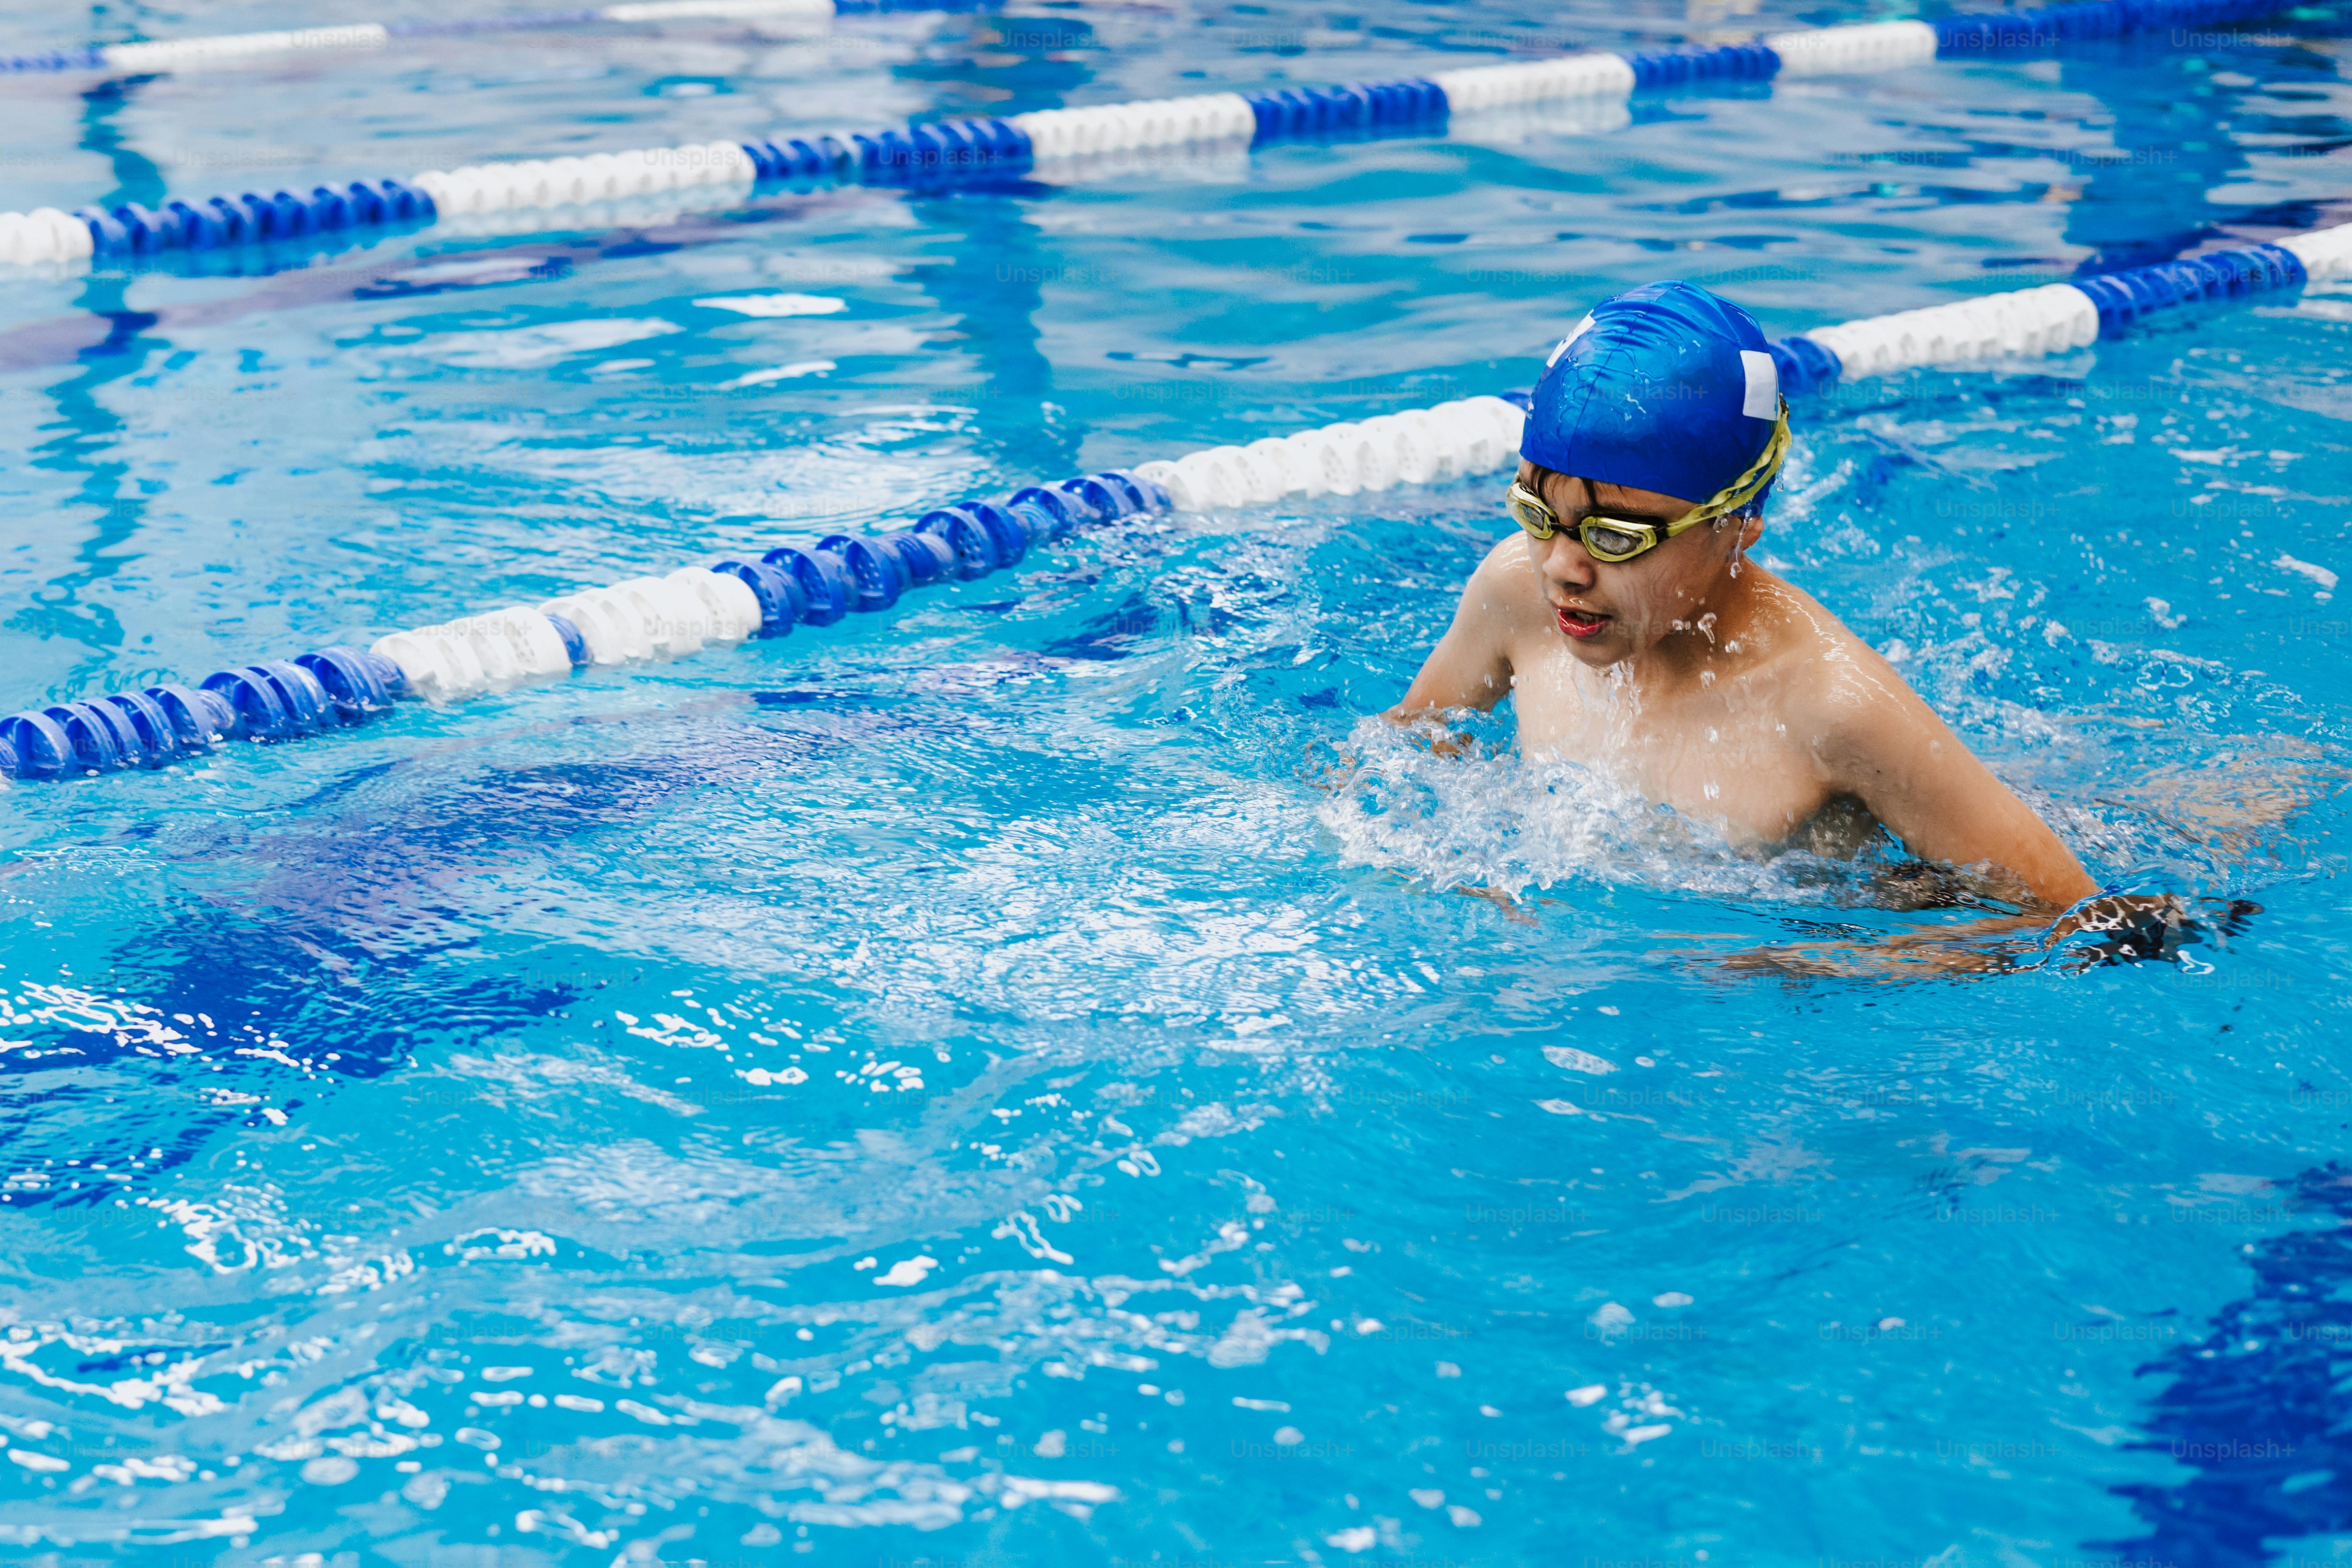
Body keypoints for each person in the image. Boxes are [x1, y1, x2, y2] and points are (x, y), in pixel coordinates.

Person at [1386, 280, 2100, 916]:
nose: (1563, 569)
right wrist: (1439, 877)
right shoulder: (1515, 589)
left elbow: (2075, 919)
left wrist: (1805, 966)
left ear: (1738, 524)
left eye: (1616, 538)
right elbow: (1402, 747)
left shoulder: (1831, 705)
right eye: (1539, 516)